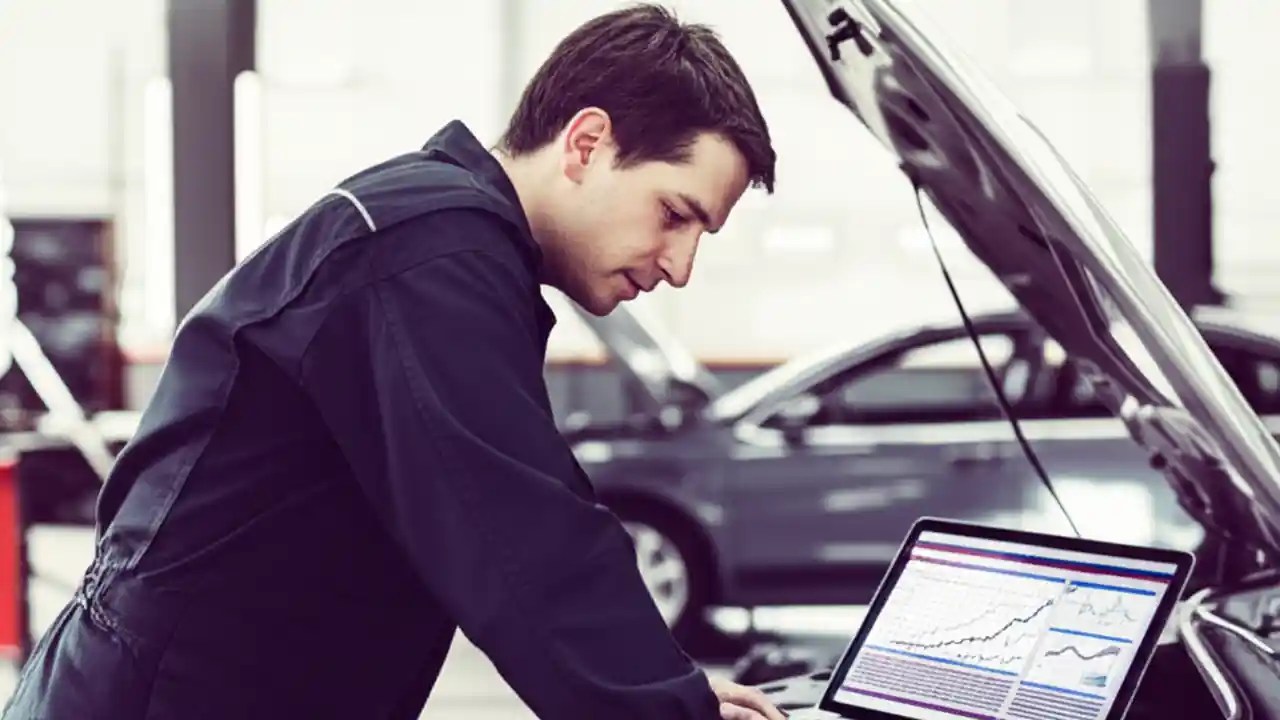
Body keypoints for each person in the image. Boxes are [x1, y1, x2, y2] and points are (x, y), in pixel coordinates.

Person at [3, 4, 783, 719]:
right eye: (674, 214)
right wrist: (664, 706)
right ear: (585, 144)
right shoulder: (428, 257)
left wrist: (662, 687)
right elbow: (520, 530)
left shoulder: (439, 238)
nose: (680, 266)